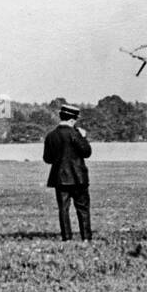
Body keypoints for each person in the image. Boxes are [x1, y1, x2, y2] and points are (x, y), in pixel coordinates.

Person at [43, 103, 92, 241]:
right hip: (78, 178)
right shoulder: (75, 134)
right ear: (72, 119)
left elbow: (47, 159)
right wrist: (83, 137)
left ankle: (67, 237)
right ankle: (86, 237)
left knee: (63, 209)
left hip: (59, 178)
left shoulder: (51, 136)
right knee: (82, 208)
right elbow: (86, 152)